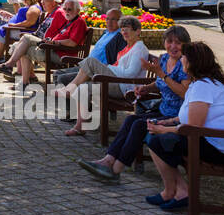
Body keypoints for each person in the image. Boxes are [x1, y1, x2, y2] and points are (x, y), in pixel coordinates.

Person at [144, 41, 224, 211]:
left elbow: (193, 127)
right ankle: (174, 191)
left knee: (158, 139)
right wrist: (168, 122)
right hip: (218, 141)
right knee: (155, 137)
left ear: (192, 62)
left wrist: (163, 130)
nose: (181, 60)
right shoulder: (201, 83)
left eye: (184, 57)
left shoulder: (203, 87)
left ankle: (178, 192)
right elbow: (190, 117)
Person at [76, 25, 191, 176]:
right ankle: (108, 160)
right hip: (163, 109)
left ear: (185, 44)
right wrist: (147, 88)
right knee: (131, 120)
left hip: (177, 115)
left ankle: (116, 170)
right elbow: (160, 84)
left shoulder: (186, 64)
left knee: (138, 125)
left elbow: (184, 93)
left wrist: (162, 75)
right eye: (169, 41)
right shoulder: (164, 59)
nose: (173, 46)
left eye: (178, 43)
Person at [53, 16, 151, 104]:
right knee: (84, 86)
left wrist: (108, 68)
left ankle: (69, 90)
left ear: (137, 31)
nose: (124, 32)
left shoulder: (139, 49)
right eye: (122, 30)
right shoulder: (128, 47)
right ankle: (81, 123)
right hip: (118, 82)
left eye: (127, 29)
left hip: (125, 88)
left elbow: (130, 74)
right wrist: (109, 68)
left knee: (90, 62)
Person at [0, 0, 89, 89]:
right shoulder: (69, 21)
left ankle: (9, 65)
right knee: (23, 47)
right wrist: (51, 41)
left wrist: (54, 42)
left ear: (77, 10)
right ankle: (24, 82)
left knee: (26, 38)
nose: (67, 11)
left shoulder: (79, 22)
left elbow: (72, 43)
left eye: (70, 9)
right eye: (65, 9)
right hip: (53, 49)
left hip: (62, 55)